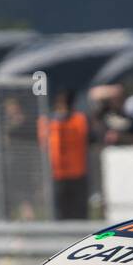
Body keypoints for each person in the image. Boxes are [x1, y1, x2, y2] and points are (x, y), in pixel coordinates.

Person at [38, 89, 89, 219]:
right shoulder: (48, 122)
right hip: (57, 174)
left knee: (78, 213)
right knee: (60, 213)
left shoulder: (78, 120)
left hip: (76, 174)